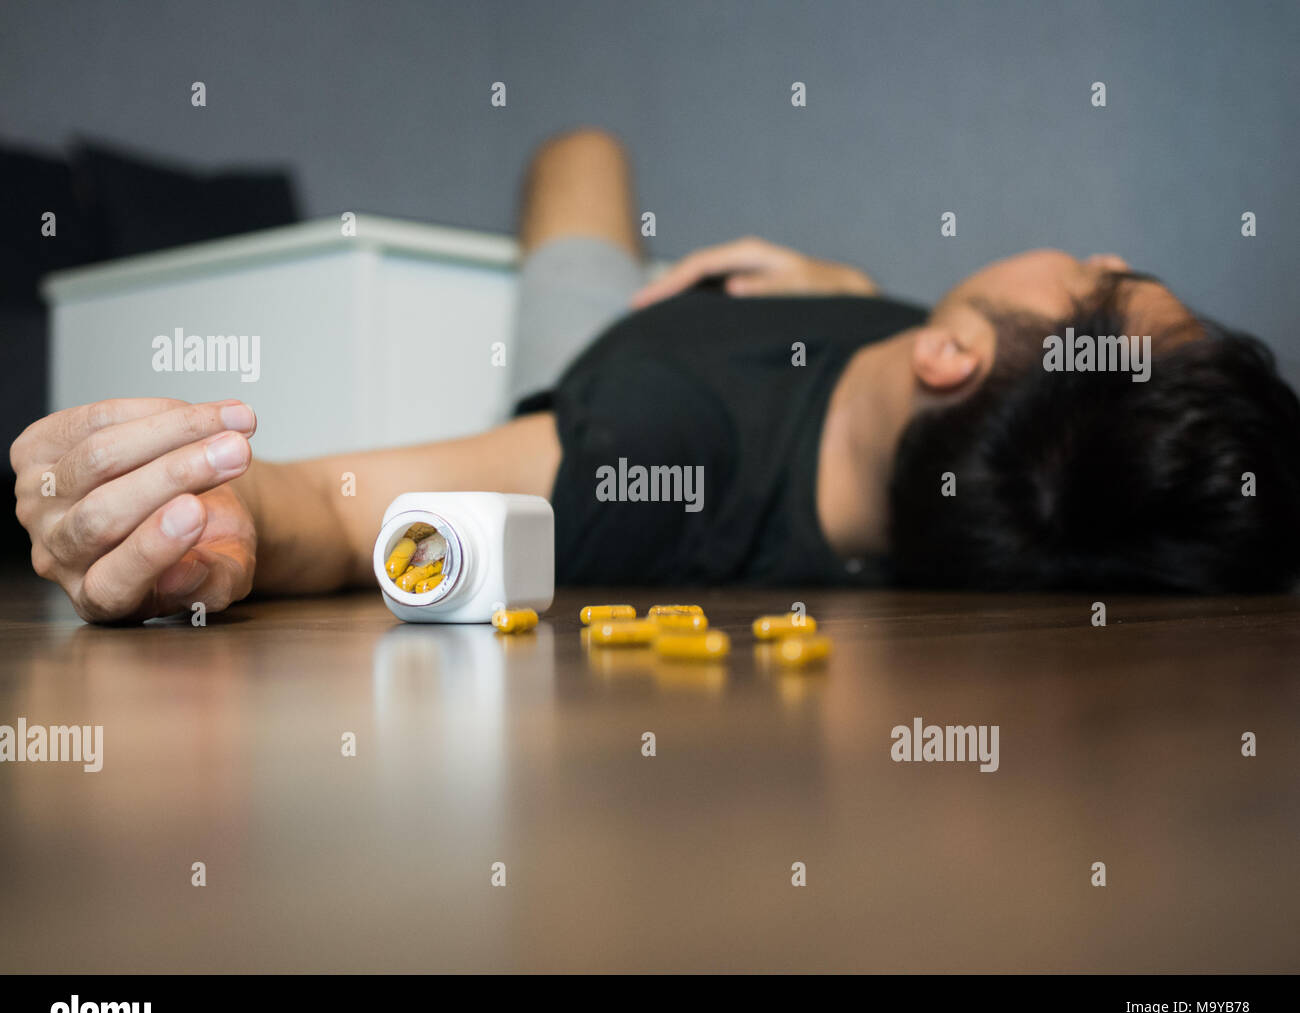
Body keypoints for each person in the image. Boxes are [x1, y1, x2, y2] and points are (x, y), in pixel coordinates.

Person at [11, 128, 1300, 623]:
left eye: (1100, 277)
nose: (1110, 250)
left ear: (952, 357)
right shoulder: (994, 435)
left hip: (628, 356)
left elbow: (350, 516)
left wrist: (214, 521)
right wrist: (840, 292)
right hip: (801, 334)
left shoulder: (657, 450)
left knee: (579, 157)